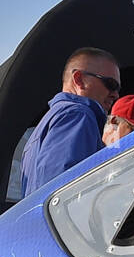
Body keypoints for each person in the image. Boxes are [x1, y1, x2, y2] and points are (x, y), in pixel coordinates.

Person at [20, 48, 120, 195]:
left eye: (118, 89)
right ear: (79, 79)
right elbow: (64, 192)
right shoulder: (78, 114)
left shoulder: (46, 125)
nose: (115, 95)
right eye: (111, 84)